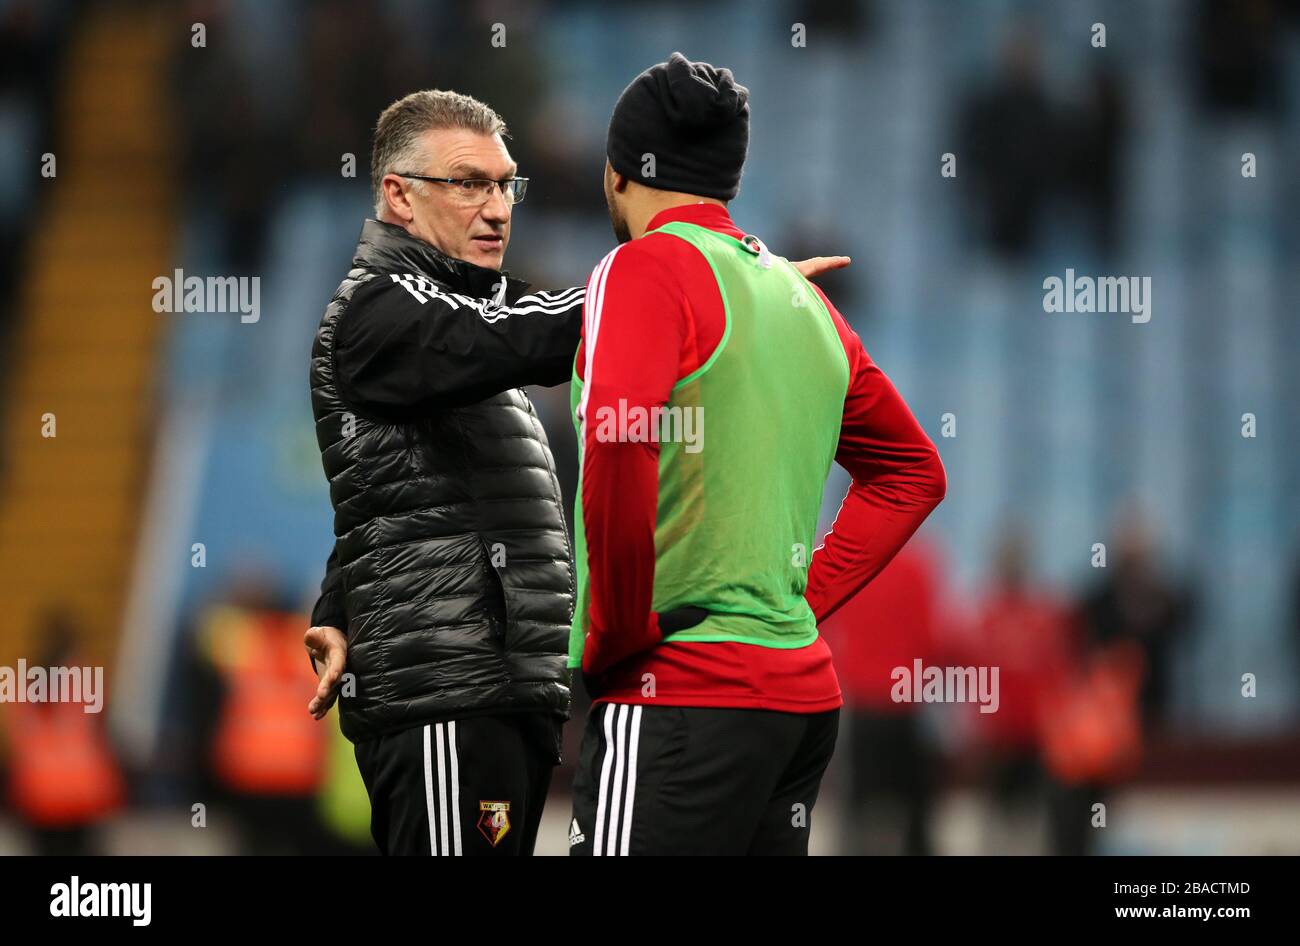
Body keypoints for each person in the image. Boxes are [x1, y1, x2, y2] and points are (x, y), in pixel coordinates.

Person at [305, 89, 847, 856]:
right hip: (447, 694)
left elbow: (390, 492)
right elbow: (541, 332)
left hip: (501, 688)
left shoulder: (458, 317)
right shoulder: (379, 310)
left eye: (506, 185)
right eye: (469, 184)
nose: (497, 208)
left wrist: (337, 600)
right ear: (399, 195)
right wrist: (719, 287)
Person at [567, 54, 946, 856]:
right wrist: (801, 602)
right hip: (797, 703)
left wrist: (620, 629)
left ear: (619, 173)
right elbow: (914, 473)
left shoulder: (640, 270)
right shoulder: (805, 300)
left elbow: (620, 436)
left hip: (677, 693)